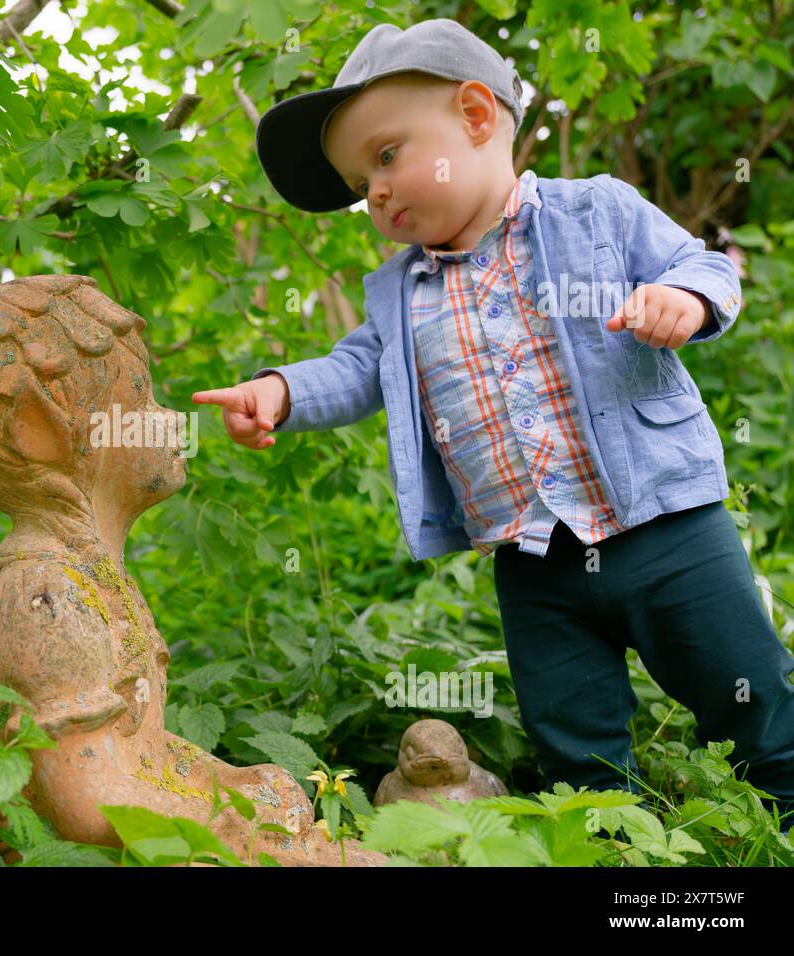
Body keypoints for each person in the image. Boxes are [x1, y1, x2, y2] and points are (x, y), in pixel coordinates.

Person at [193, 18, 794, 834]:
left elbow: (704, 263)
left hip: (666, 524)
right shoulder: (400, 293)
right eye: (356, 182)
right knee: (571, 735)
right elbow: (357, 366)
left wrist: (685, 300)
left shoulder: (596, 213)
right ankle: (605, 845)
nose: (372, 192)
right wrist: (278, 390)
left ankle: (783, 809)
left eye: (385, 156)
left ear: (476, 117)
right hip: (533, 557)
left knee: (746, 686)